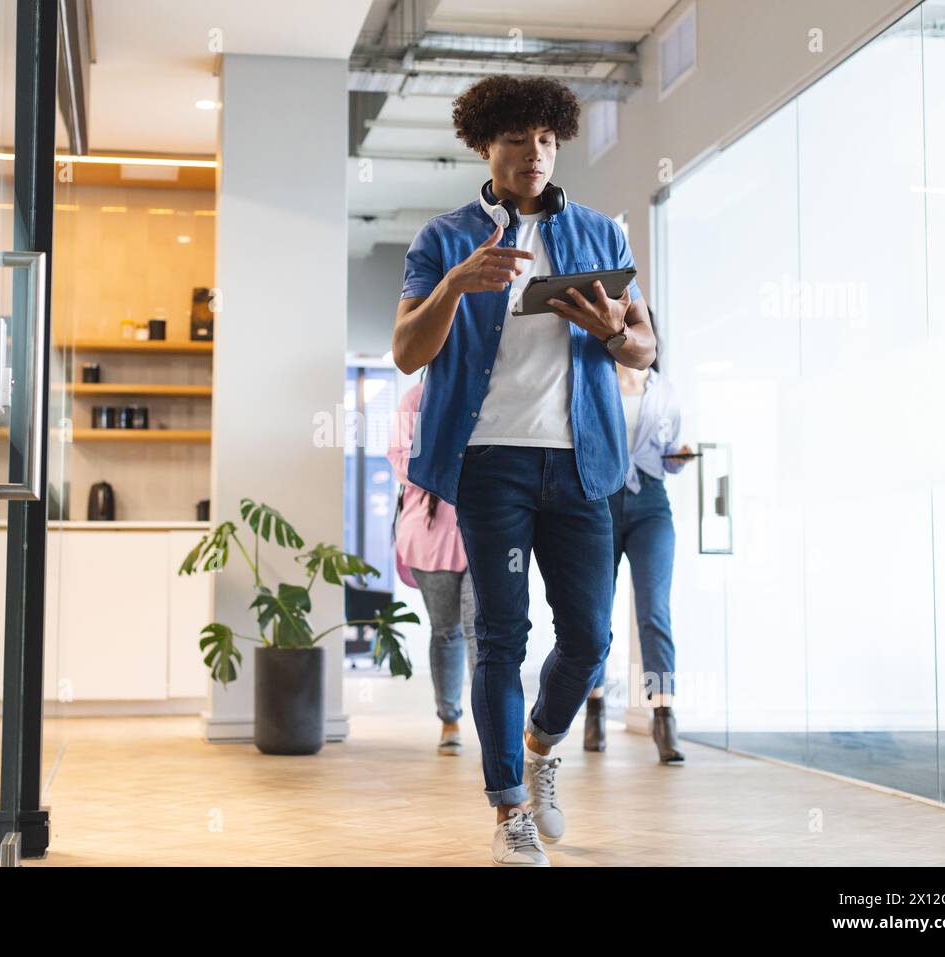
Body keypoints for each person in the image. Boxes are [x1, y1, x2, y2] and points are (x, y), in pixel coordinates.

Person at [392, 75, 657, 866]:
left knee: (590, 637)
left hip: (582, 465)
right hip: (489, 465)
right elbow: (407, 351)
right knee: (500, 634)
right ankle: (508, 805)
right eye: (517, 138)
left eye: (546, 139)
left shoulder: (602, 237)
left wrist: (615, 331)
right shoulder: (443, 238)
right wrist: (453, 283)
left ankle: (541, 748)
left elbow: (646, 348)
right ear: (485, 145)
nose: (534, 153)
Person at [584, 318, 692, 763]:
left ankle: (663, 717)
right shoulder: (596, 379)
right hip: (601, 502)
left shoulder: (663, 390)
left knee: (654, 613)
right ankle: (593, 710)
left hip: (651, 503)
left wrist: (680, 457)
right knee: (594, 617)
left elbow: (669, 456)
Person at [388, 379, 477, 756]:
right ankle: (449, 719)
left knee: (480, 630)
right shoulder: (415, 399)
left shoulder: (484, 388)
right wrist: (452, 461)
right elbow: (400, 459)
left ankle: (494, 728)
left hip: (482, 528)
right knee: (445, 631)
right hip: (428, 533)